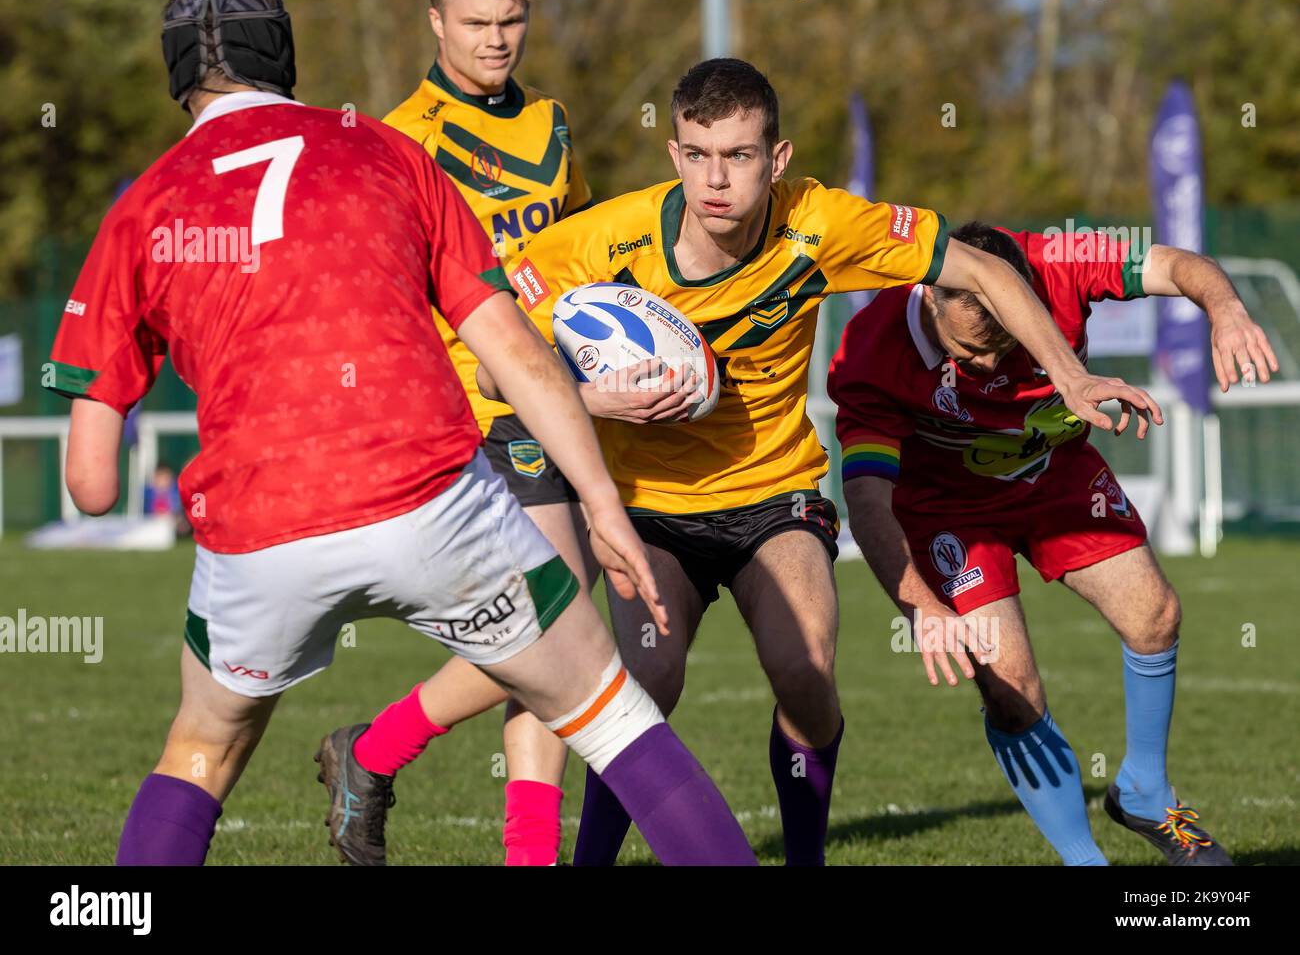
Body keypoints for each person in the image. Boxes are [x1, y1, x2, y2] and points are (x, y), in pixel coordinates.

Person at [348, 58, 1162, 866]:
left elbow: (979, 267)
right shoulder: (598, 242)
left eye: (738, 157)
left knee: (805, 673)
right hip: (650, 507)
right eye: (697, 155)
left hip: (776, 494)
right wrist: (592, 402)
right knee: (647, 682)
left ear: (776, 160)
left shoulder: (820, 222)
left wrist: (1072, 374)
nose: (716, 180)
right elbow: (495, 366)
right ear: (673, 154)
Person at [48, 0, 756, 868]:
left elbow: (93, 483)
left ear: (176, 72)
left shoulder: (142, 208)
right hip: (429, 501)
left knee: (200, 749)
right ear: (286, 55)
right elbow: (519, 358)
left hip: (258, 528)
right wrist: (605, 508)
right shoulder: (381, 150)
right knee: (617, 719)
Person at [829, 220, 1277, 865]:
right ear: (930, 295)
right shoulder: (872, 347)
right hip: (946, 512)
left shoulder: (1059, 258)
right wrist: (920, 609)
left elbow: (1180, 263)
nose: (989, 367)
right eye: (969, 351)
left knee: (1155, 616)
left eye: (1004, 343)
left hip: (1053, 475)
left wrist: (1226, 309)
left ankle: (1146, 792)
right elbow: (868, 498)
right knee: (1012, 690)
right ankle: (1083, 859)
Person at [375, 0, 593, 866]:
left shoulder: (552, 126)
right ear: (434, 20)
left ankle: (523, 855)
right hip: (463, 411)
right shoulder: (396, 139)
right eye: (476, 22)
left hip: (546, 398)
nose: (497, 38)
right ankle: (377, 748)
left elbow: (577, 256)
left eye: (512, 19)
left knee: (550, 633)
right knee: (565, 621)